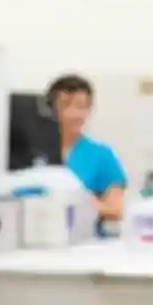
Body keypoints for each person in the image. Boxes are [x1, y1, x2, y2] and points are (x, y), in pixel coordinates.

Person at [47, 74, 126, 220]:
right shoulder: (35, 152)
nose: (74, 114)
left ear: (89, 110)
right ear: (52, 109)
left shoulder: (101, 155)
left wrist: (80, 201)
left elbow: (115, 209)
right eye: (65, 105)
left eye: (80, 106)